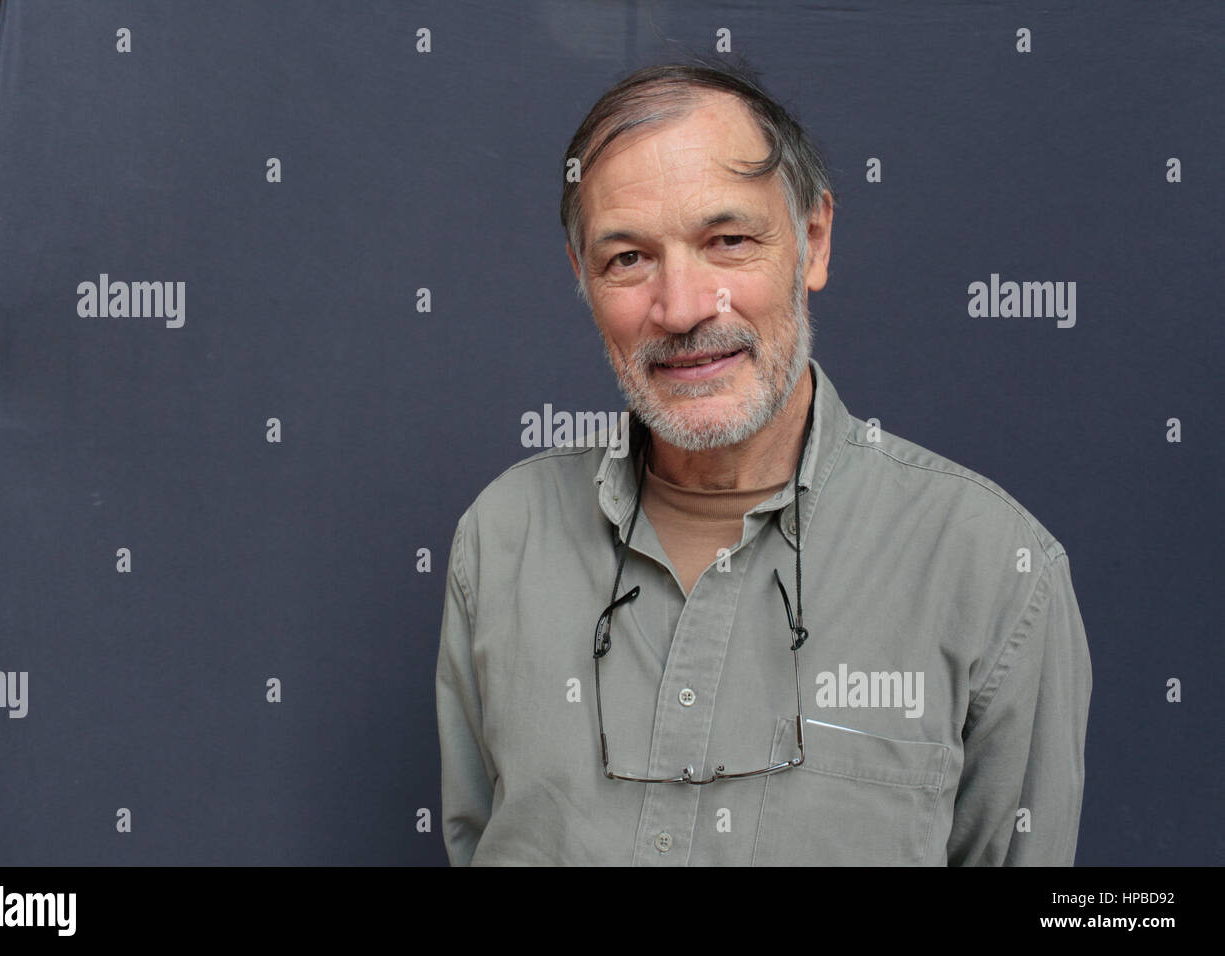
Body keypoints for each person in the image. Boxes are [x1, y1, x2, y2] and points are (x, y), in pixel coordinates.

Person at [435, 61, 1092, 866]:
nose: (681, 308)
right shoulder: (500, 540)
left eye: (729, 241)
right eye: (629, 259)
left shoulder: (994, 570)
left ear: (812, 243)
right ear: (583, 277)